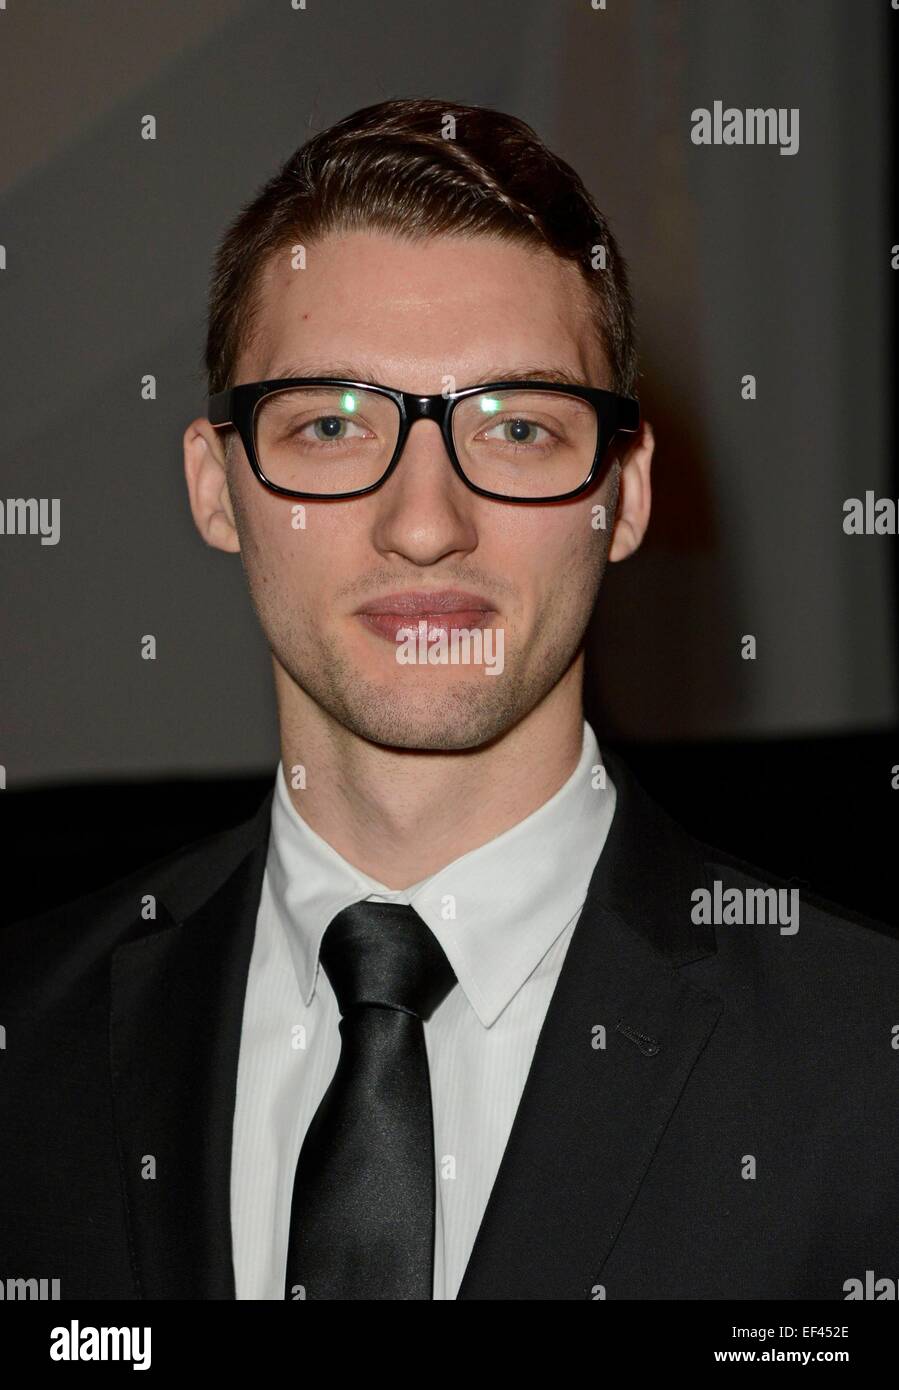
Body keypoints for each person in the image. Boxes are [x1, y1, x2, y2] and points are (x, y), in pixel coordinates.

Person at [2, 97, 897, 1302]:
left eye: (517, 427)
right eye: (330, 423)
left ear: (622, 496)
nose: (424, 524)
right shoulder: (25, 1046)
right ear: (217, 488)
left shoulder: (865, 1072)